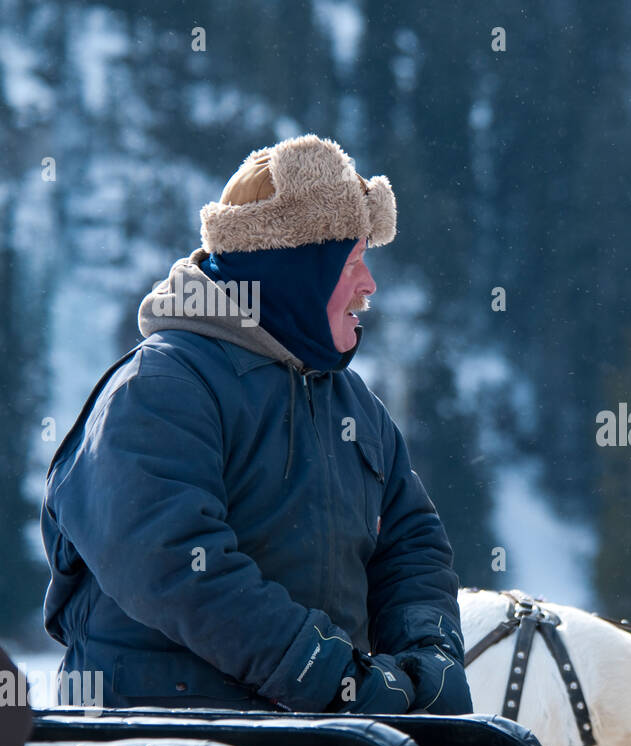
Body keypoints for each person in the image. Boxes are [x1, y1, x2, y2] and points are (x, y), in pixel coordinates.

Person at [40, 134, 471, 715]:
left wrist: (430, 655)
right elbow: (172, 562)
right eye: (351, 263)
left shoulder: (354, 406)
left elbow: (411, 546)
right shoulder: (161, 388)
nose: (369, 285)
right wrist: (323, 672)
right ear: (294, 274)